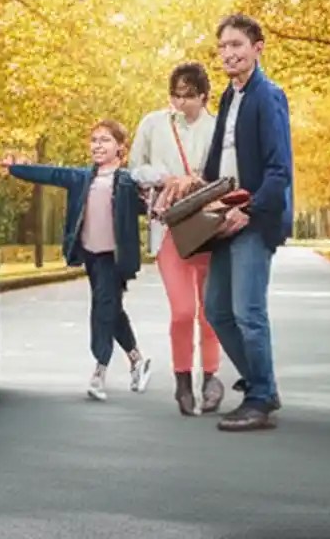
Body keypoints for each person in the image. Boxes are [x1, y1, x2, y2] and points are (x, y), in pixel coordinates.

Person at [0, 119, 154, 401]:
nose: (98, 145)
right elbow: (49, 174)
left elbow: (155, 206)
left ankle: (100, 371)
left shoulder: (129, 182)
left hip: (115, 258)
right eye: (94, 140)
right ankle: (137, 361)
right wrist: (15, 168)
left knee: (102, 308)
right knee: (112, 310)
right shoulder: (81, 178)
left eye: (105, 140)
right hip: (91, 256)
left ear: (121, 147)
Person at [194, 13, 293, 432]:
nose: (229, 53)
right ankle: (260, 382)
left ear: (257, 48)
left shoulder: (268, 96)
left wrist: (246, 211)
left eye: (237, 45)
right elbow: (219, 163)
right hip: (225, 218)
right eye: (223, 47)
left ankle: (259, 399)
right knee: (217, 309)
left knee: (248, 312)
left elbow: (279, 170)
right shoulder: (229, 98)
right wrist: (195, 191)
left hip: (253, 219)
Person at [128, 62, 224, 416]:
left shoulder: (219, 127)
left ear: (203, 96)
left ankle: (210, 377)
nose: (180, 104)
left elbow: (230, 173)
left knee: (210, 311)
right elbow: (135, 168)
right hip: (170, 227)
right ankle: (182, 380)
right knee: (183, 310)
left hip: (210, 225)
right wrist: (165, 176)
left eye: (188, 97)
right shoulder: (154, 124)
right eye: (175, 96)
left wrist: (198, 180)